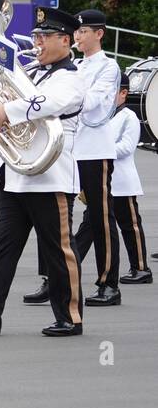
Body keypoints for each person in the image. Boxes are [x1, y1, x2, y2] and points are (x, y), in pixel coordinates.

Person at [0, 6, 87, 338]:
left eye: (44, 37)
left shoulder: (71, 78)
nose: (37, 43)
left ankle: (70, 316)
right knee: (2, 247)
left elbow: (50, 104)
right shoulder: (34, 72)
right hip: (14, 174)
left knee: (57, 249)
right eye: (36, 36)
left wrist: (7, 109)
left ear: (65, 41)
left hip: (50, 176)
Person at [77, 74, 151, 284]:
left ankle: (141, 268)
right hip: (101, 182)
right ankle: (68, 267)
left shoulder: (129, 117)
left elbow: (127, 147)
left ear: (123, 93)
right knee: (88, 227)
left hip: (122, 183)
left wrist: (100, 150)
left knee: (130, 226)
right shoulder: (102, 116)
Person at [72, 9, 124, 306]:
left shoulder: (109, 67)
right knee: (62, 216)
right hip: (70, 149)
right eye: (76, 32)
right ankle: (56, 278)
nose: (77, 36)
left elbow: (93, 106)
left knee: (102, 217)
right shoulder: (74, 65)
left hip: (95, 151)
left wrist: (64, 93)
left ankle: (109, 283)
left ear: (99, 34)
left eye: (83, 31)